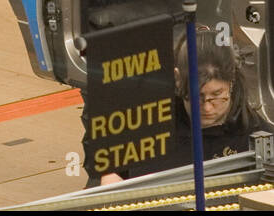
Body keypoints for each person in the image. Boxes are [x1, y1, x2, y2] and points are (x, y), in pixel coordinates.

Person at [100, 29, 273, 184]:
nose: (207, 109)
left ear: (232, 81)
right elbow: (108, 173)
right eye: (196, 97)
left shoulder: (259, 136)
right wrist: (109, 177)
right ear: (177, 78)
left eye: (217, 96)